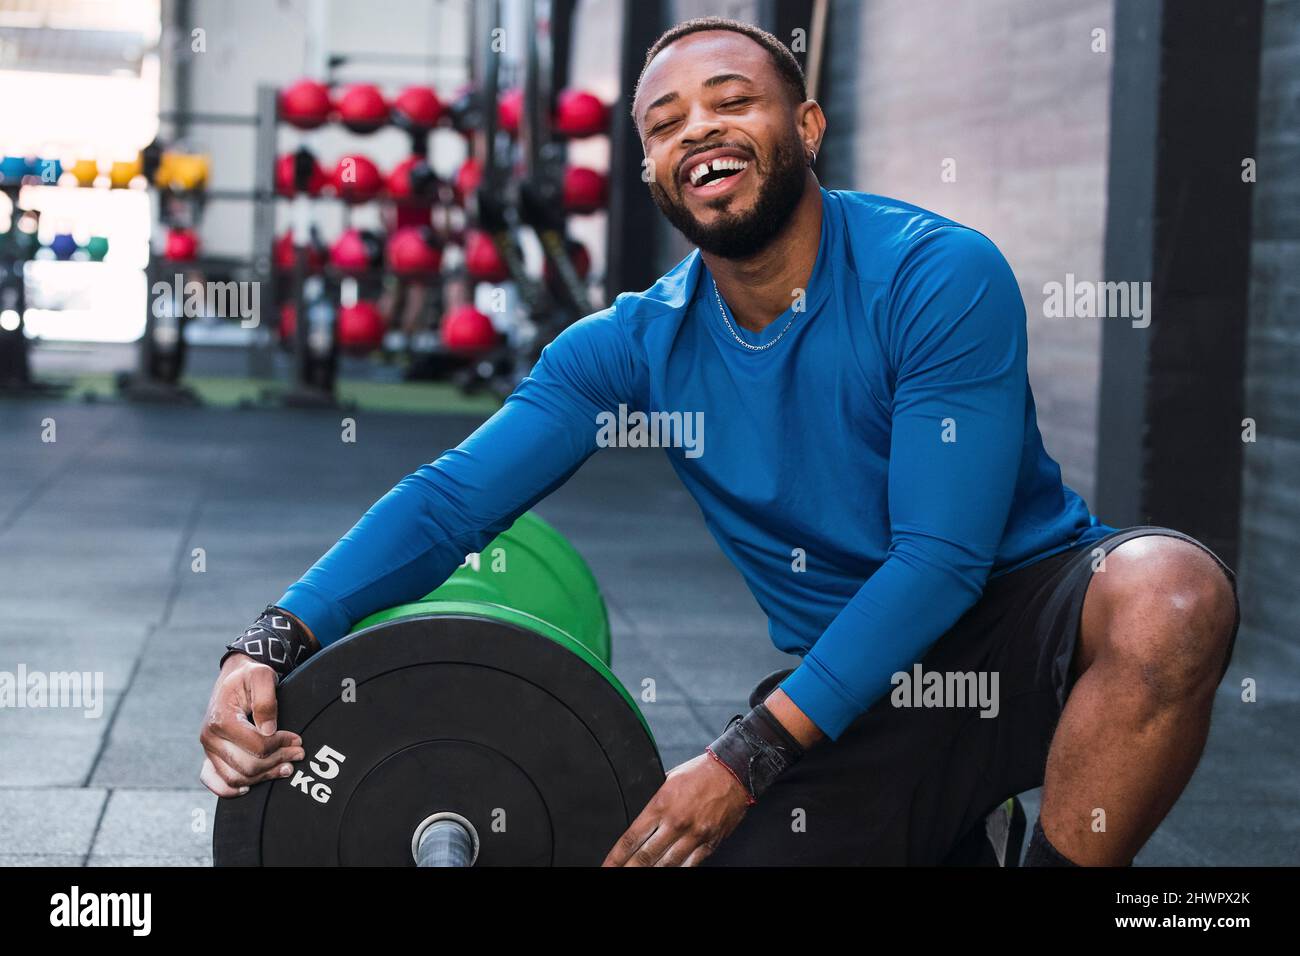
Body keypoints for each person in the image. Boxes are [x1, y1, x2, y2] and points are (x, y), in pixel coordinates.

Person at [199, 17, 1239, 867]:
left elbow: (941, 559)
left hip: (1022, 616)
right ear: (650, 168)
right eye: (666, 121)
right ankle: (943, 829)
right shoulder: (630, 344)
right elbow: (449, 500)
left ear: (808, 123)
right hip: (857, 681)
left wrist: (742, 755)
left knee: (1169, 594)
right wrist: (274, 638)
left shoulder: (935, 274)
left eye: (733, 100)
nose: (700, 128)